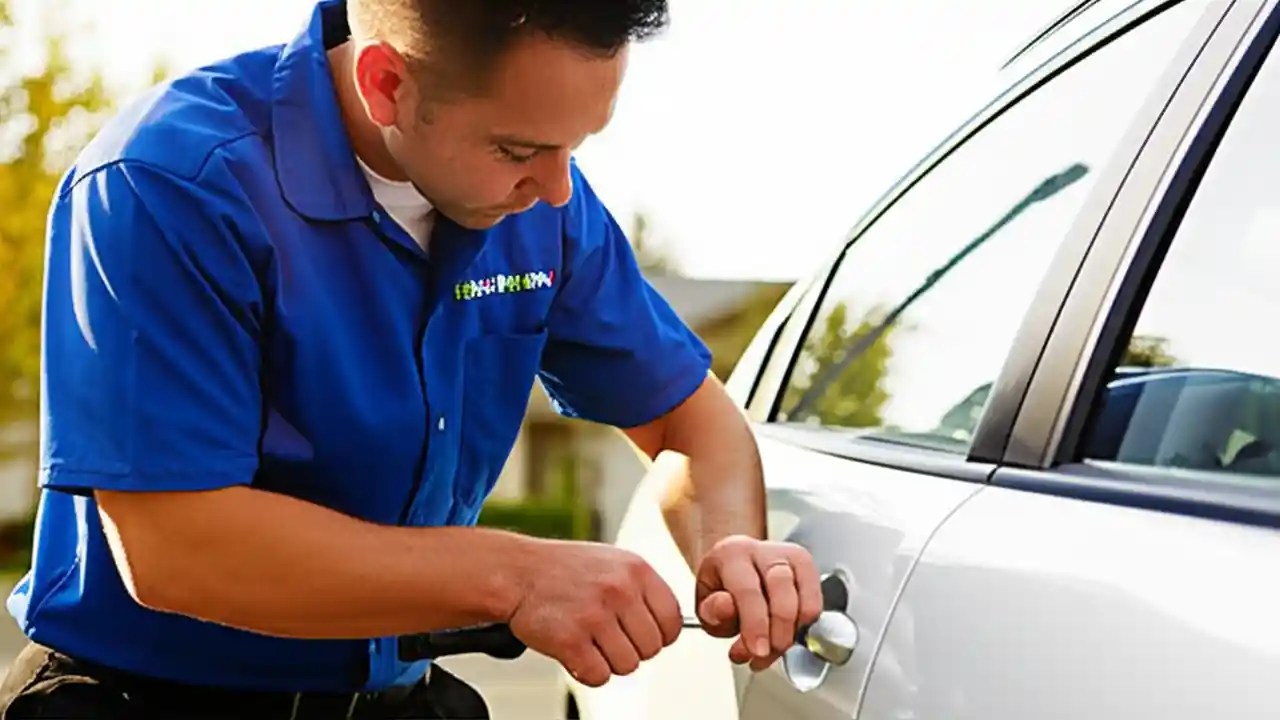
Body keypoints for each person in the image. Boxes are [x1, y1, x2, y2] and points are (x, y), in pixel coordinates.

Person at [0, 0, 823, 717]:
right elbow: (175, 545)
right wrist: (516, 576)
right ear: (386, 83)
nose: (561, 190)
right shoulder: (166, 183)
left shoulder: (544, 205)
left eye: (577, 145)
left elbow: (691, 419)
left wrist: (729, 550)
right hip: (142, 702)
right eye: (517, 149)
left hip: (401, 698)